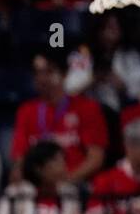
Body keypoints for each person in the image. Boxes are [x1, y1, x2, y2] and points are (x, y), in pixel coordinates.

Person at [10, 48, 107, 185]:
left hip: (76, 185)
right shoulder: (26, 111)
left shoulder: (87, 108)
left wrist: (66, 182)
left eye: (49, 71)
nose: (42, 78)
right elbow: (19, 160)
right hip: (37, 190)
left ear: (64, 74)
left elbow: (95, 158)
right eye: (37, 73)